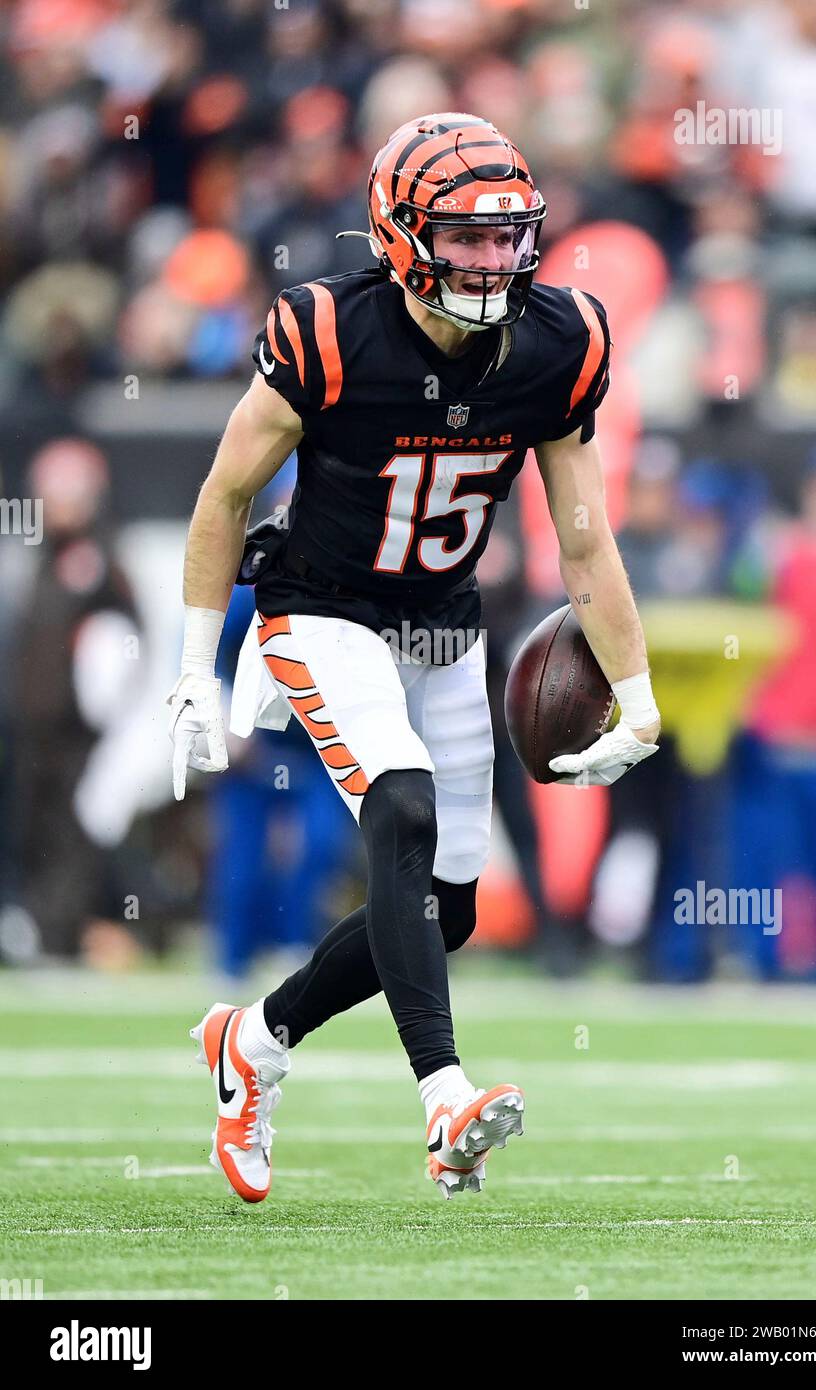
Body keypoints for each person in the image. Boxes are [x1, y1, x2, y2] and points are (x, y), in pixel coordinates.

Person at [169, 113, 661, 1202]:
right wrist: (197, 665)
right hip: (320, 606)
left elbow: (583, 538)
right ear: (399, 234)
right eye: (465, 237)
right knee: (400, 804)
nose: (492, 260)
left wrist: (635, 697)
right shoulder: (328, 331)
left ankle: (252, 1039)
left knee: (453, 906)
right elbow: (225, 494)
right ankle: (445, 1099)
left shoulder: (560, 341)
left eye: (507, 236)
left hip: (443, 623)